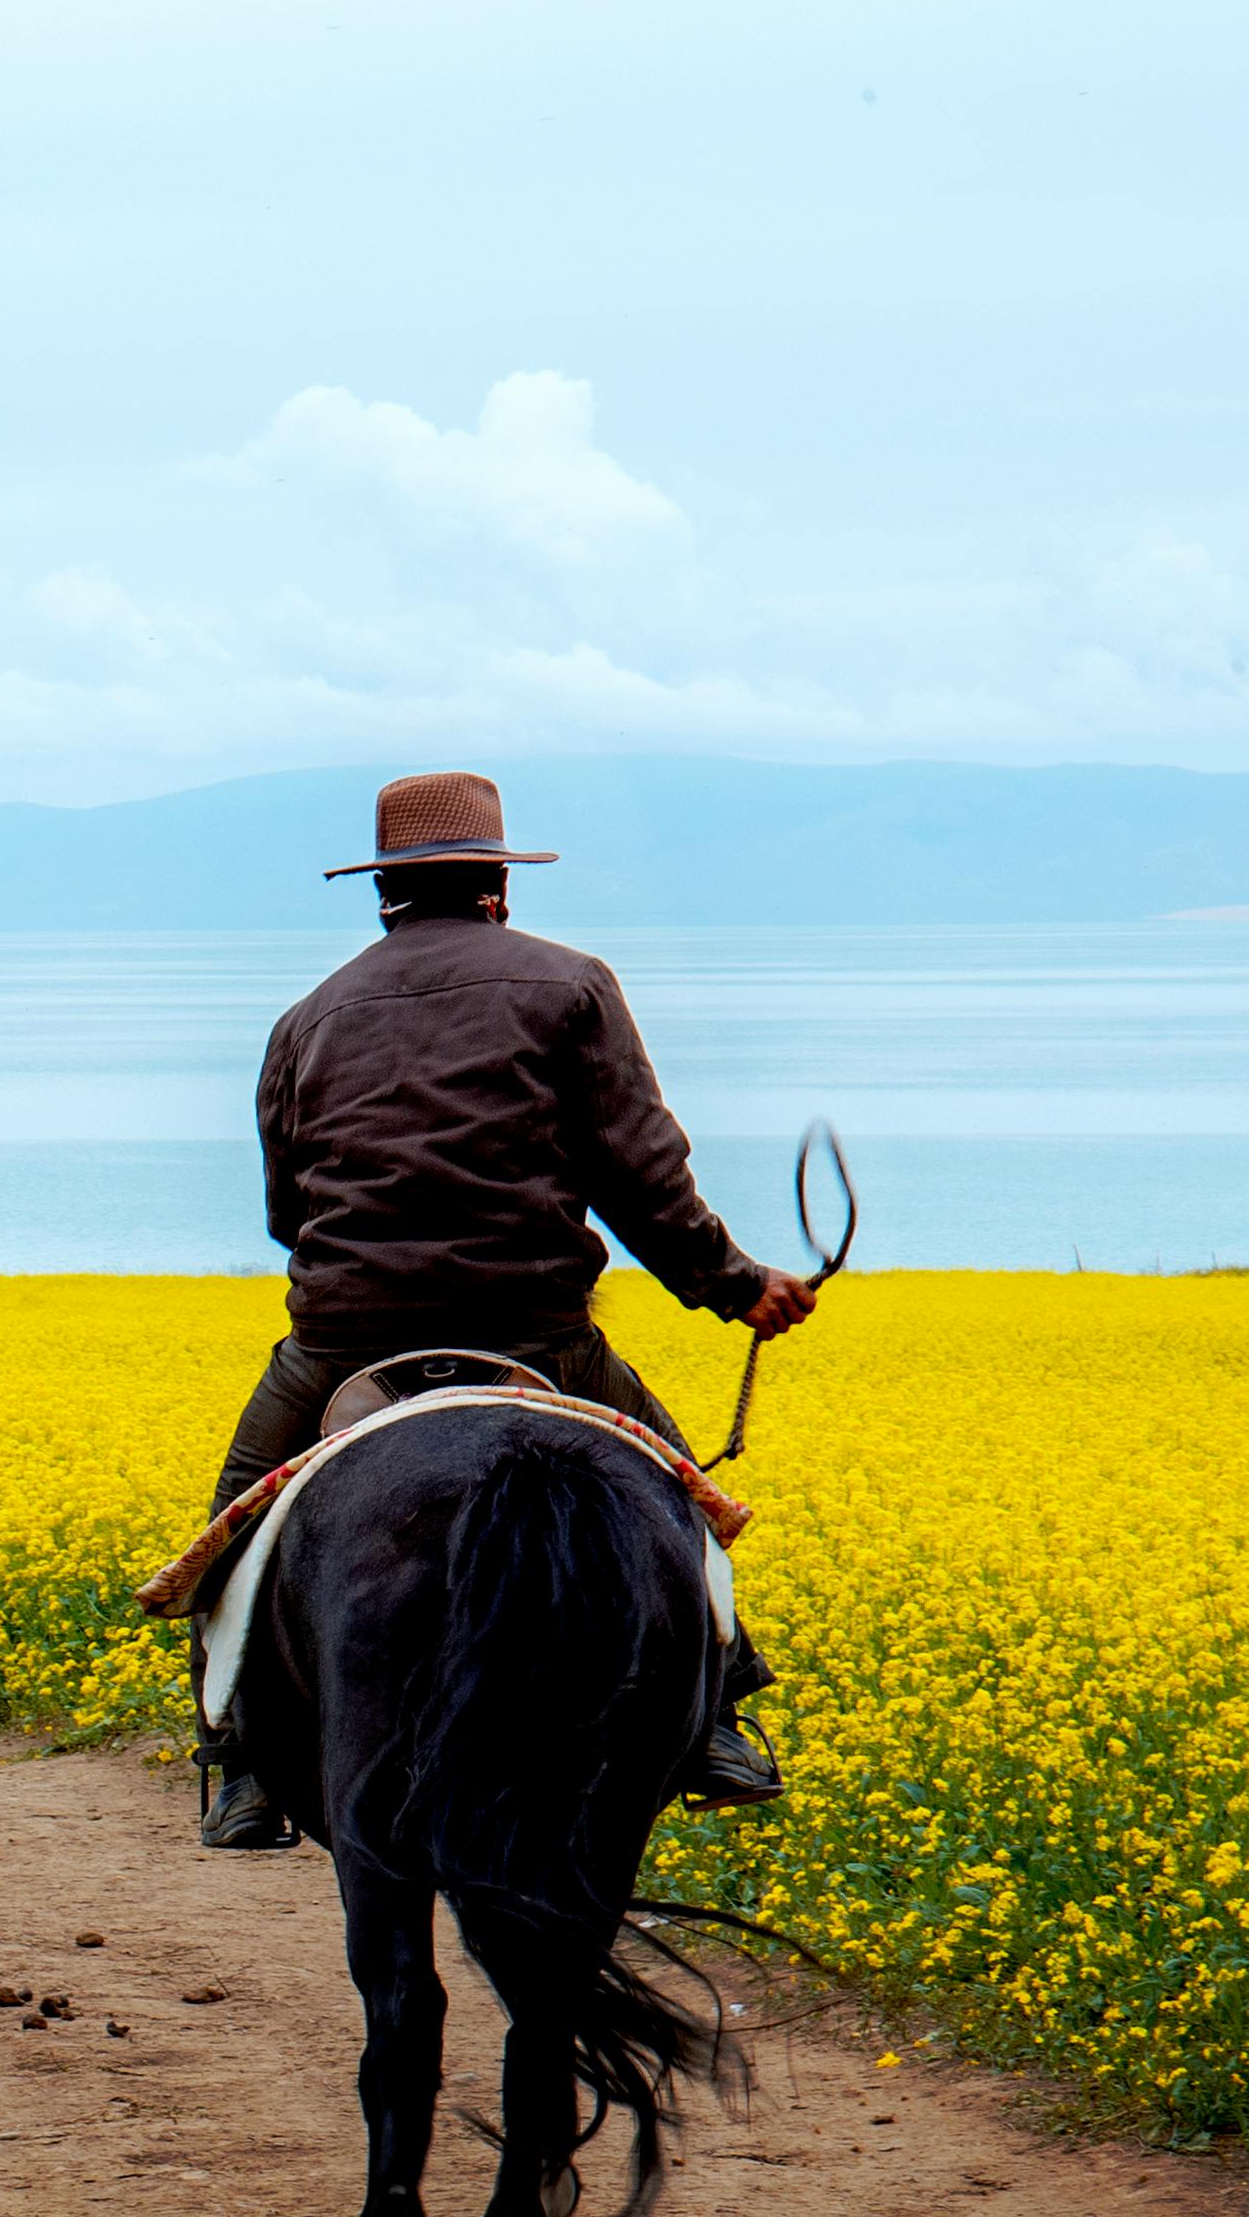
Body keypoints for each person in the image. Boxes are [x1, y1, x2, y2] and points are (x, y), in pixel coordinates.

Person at [193, 770, 815, 1853]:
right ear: (496, 885)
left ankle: (239, 1761)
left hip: (344, 1334)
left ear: (382, 891)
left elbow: (284, 1211)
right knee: (681, 1499)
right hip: (533, 1333)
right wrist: (736, 1286)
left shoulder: (304, 1018)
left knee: (233, 1520)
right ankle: (715, 1711)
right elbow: (640, 1176)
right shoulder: (569, 985)